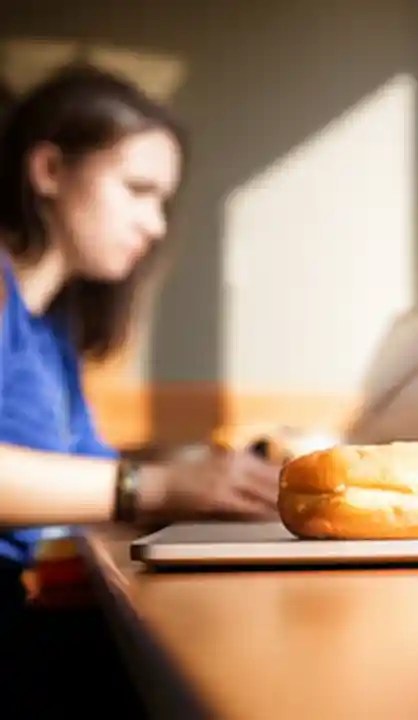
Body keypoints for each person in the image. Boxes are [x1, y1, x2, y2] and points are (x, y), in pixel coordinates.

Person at [0, 65, 282, 709]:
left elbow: (82, 468)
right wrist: (153, 485)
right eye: (137, 190)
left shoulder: (49, 330)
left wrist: (196, 475)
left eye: (162, 201)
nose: (155, 225)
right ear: (48, 171)